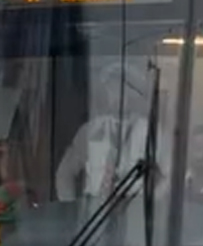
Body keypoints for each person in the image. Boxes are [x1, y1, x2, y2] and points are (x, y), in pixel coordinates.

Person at [55, 60, 162, 202]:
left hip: (134, 216)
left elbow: (168, 177)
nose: (116, 95)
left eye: (121, 89)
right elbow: (65, 173)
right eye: (111, 89)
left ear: (133, 94)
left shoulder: (150, 132)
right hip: (95, 215)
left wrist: (151, 203)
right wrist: (69, 206)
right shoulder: (90, 130)